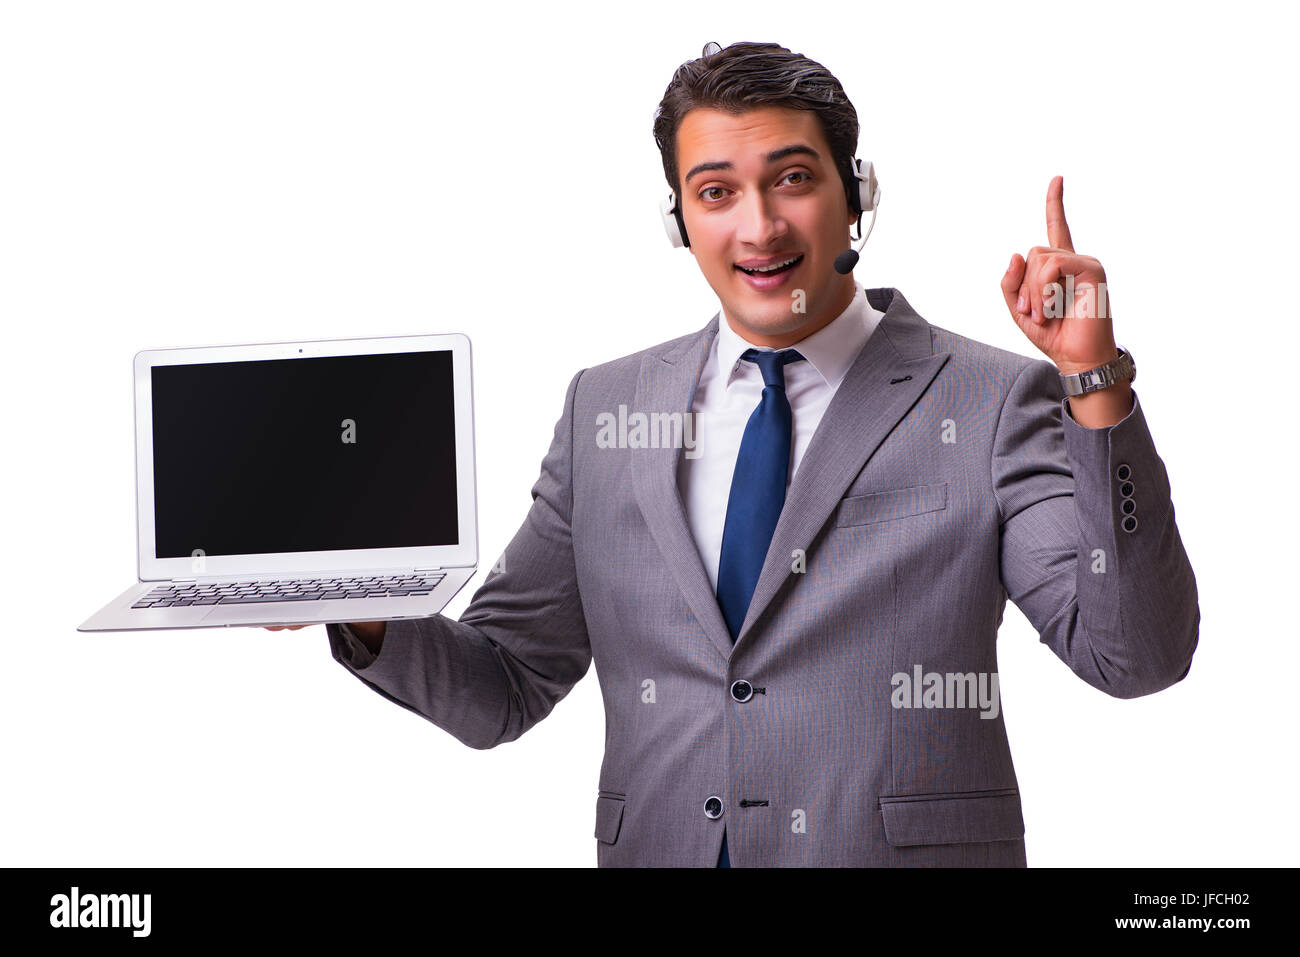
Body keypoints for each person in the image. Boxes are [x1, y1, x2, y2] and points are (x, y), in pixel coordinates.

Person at [273, 41, 1199, 867]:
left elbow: (1136, 655)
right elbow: (503, 686)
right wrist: (361, 601)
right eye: (715, 192)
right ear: (680, 220)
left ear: (858, 195)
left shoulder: (988, 397)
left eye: (793, 179)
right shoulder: (607, 408)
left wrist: (1094, 382)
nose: (757, 227)